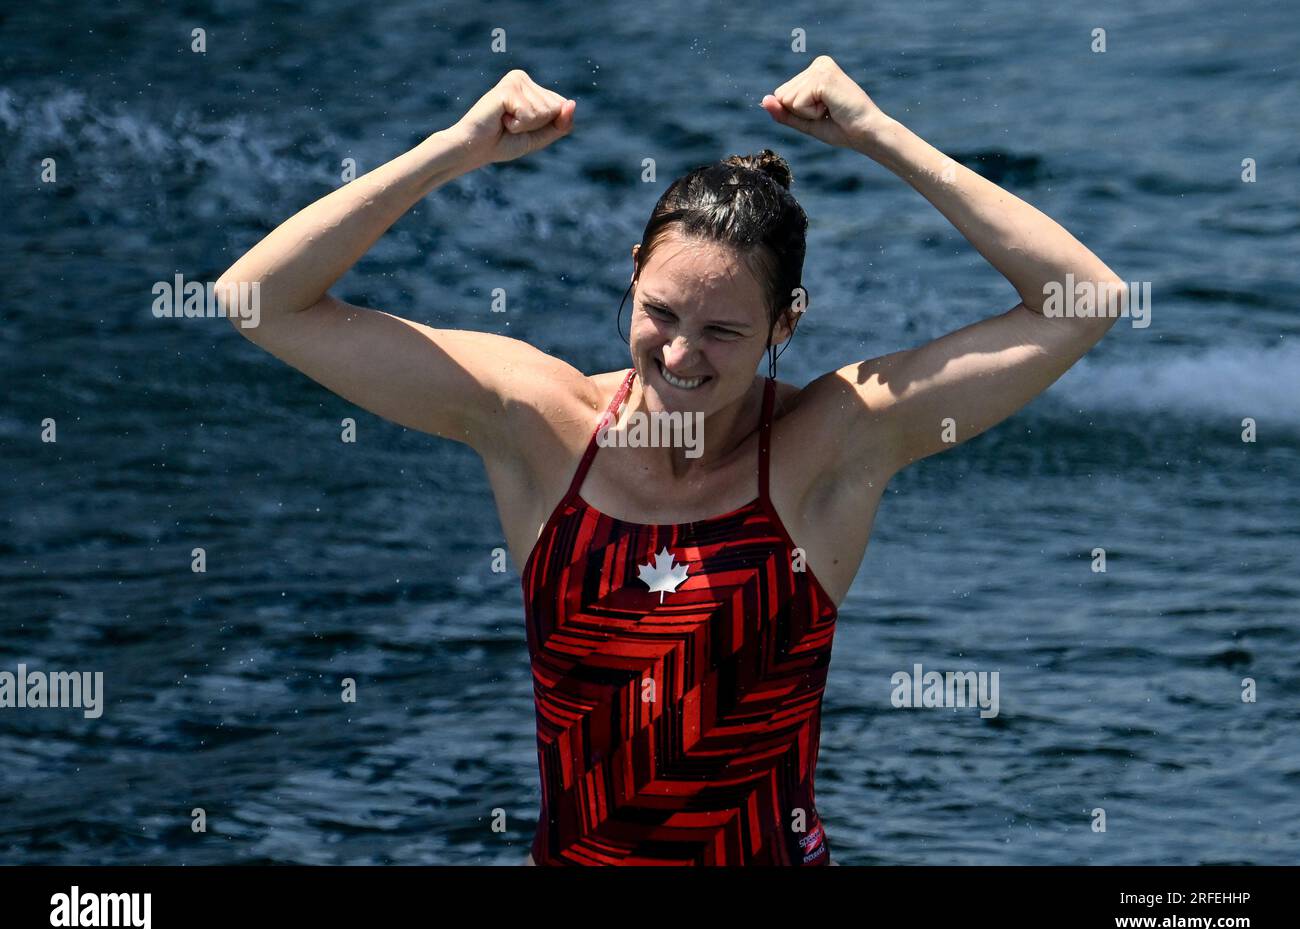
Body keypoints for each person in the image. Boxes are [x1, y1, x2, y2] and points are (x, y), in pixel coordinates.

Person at [216, 57, 1126, 865]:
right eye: (661, 313)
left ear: (785, 324)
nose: (682, 355)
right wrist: (454, 149)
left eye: (724, 330)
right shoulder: (540, 424)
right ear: (633, 273)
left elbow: (1081, 301)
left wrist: (880, 137)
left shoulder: (827, 445)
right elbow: (259, 299)